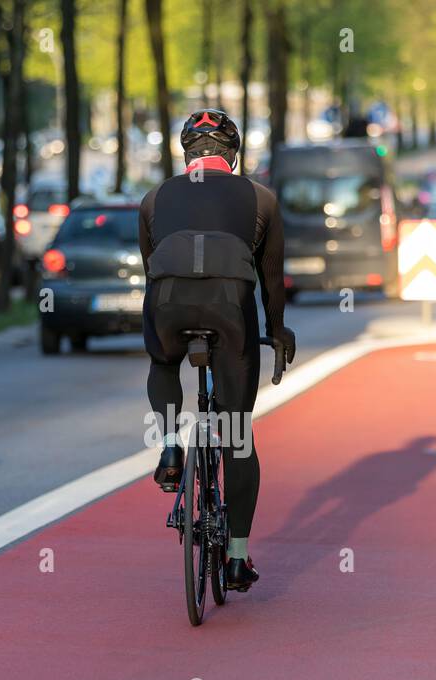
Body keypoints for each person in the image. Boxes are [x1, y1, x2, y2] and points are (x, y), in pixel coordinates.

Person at [138, 108, 295, 592]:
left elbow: (152, 269)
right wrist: (278, 331)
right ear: (235, 154)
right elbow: (271, 280)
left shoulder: (153, 198)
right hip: (231, 310)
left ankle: (168, 446)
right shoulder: (261, 199)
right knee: (237, 435)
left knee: (163, 361)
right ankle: (236, 558)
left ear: (186, 154)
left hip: (167, 305)